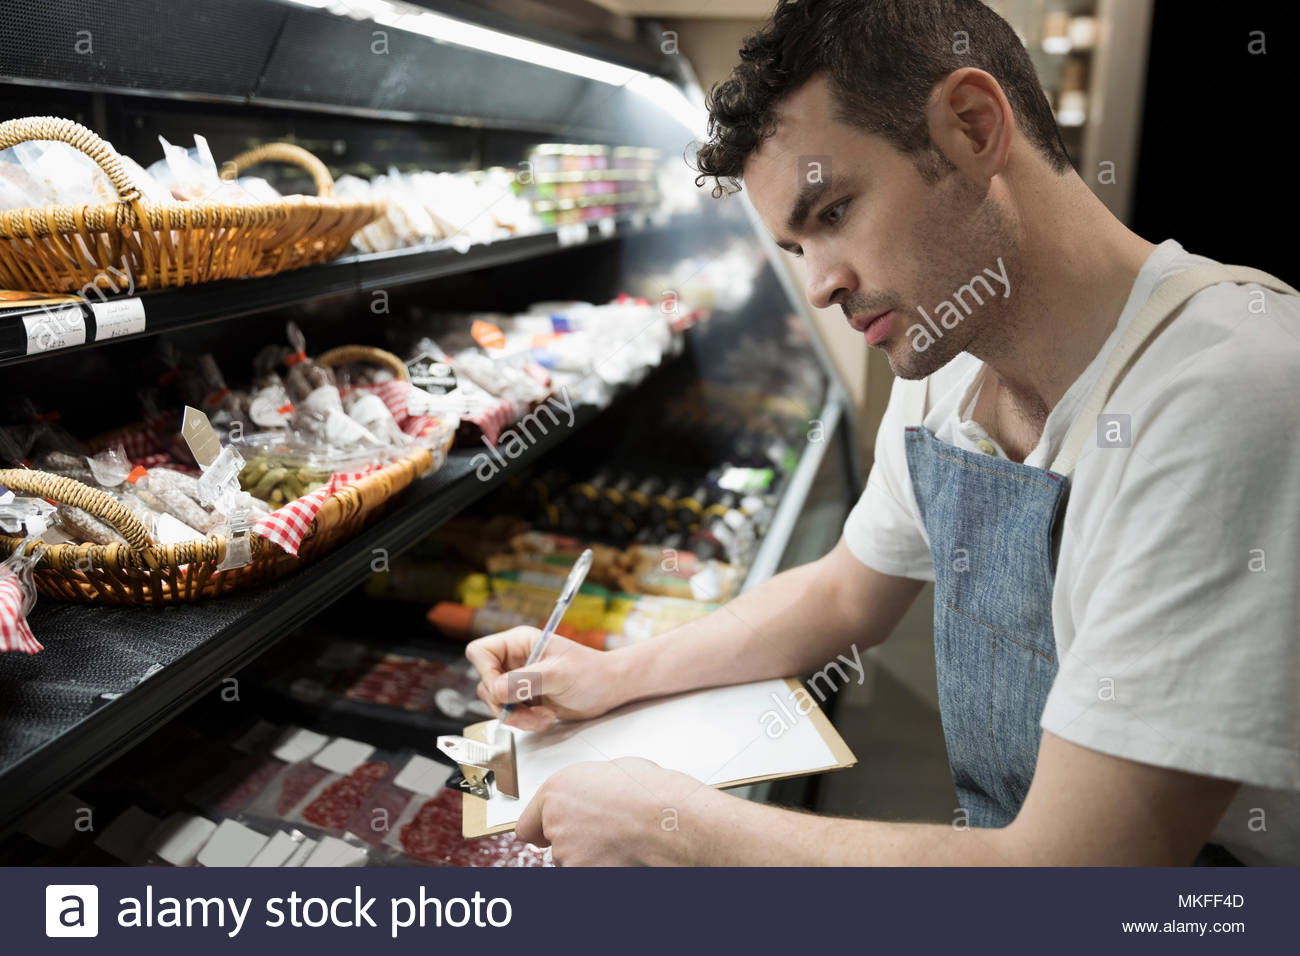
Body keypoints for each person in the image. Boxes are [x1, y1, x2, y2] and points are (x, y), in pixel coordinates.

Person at [467, 0, 1299, 866]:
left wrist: (677, 829)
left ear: (972, 128)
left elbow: (1078, 877)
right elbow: (844, 594)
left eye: (832, 212)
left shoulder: (1232, 391)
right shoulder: (949, 364)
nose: (822, 285)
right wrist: (607, 677)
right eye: (797, 249)